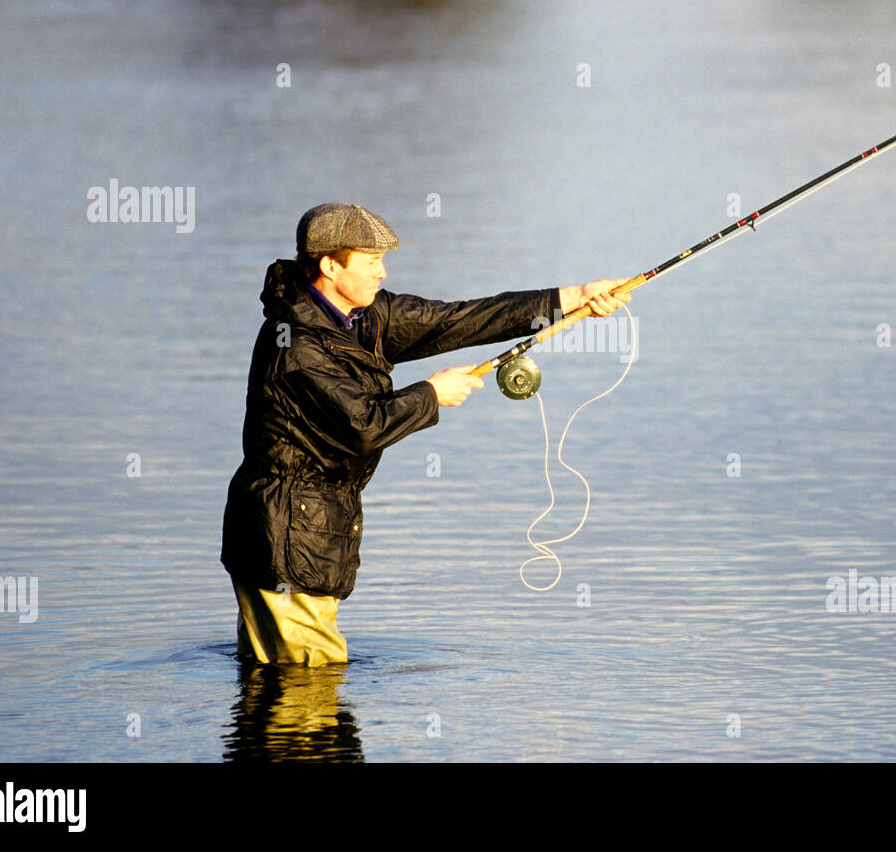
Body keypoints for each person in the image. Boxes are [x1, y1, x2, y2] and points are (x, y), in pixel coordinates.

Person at [221, 203, 628, 666]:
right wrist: (433, 393)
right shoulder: (295, 346)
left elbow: (458, 319)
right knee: (310, 679)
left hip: (302, 533)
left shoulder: (365, 317)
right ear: (330, 266)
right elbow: (364, 426)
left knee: (279, 681)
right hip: (287, 538)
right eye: (370, 261)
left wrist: (572, 297)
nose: (382, 272)